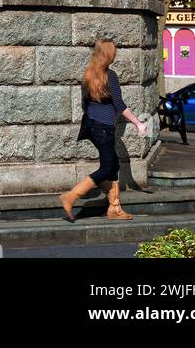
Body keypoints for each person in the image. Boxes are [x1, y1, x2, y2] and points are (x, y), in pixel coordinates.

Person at [60, 38, 148, 222]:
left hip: (91, 126)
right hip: (104, 128)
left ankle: (114, 208)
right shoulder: (111, 76)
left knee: (114, 165)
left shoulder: (88, 75)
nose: (115, 55)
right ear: (108, 55)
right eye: (113, 52)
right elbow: (120, 106)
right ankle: (71, 196)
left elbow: (84, 104)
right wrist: (138, 124)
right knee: (107, 167)